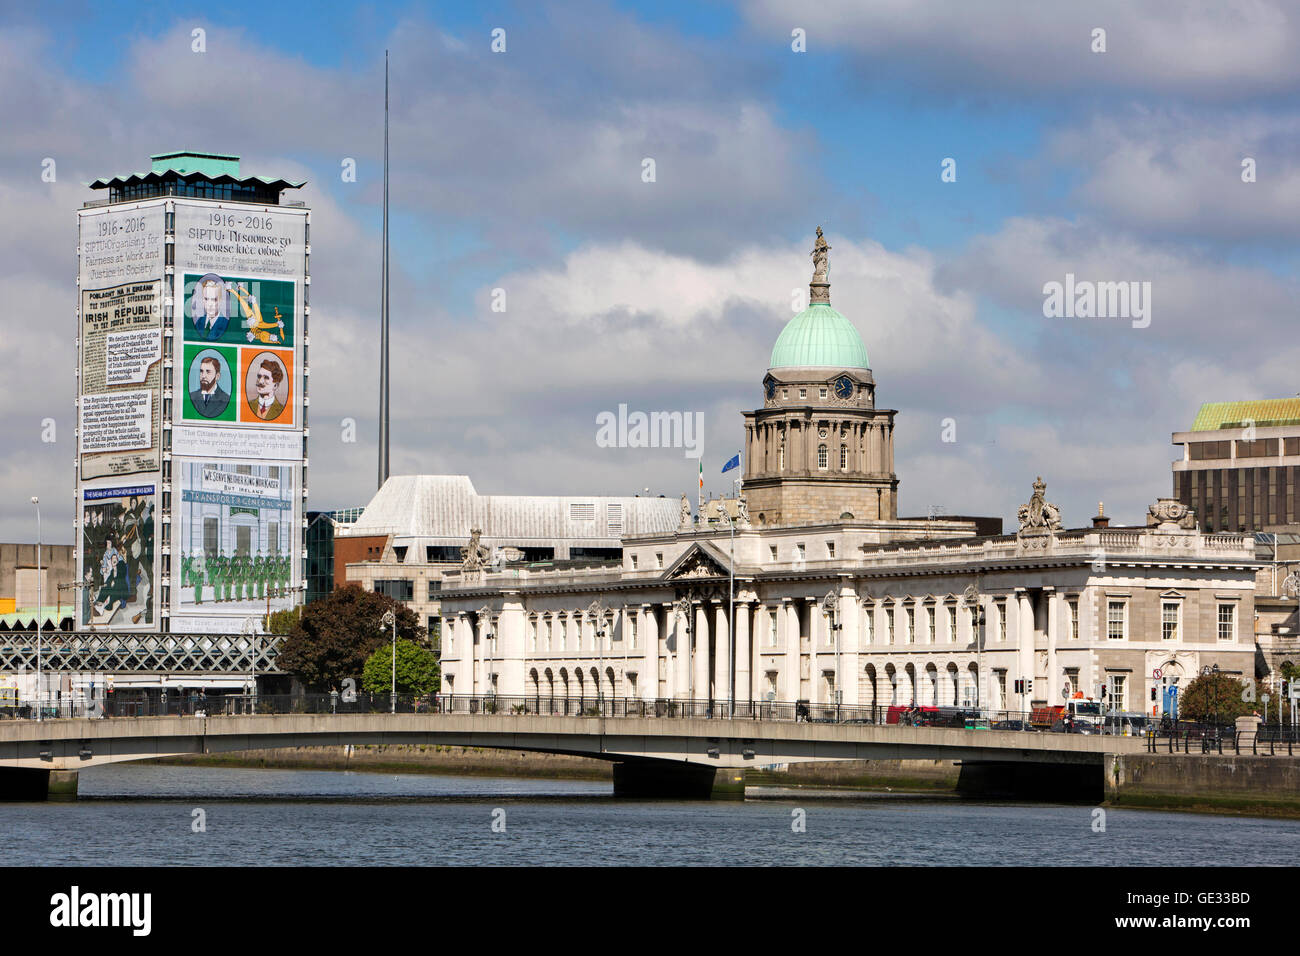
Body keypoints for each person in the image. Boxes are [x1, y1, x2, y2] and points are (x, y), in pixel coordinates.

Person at [192, 275, 229, 340]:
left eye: (214, 299)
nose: (210, 304)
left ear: (220, 301)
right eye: (206, 299)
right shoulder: (199, 321)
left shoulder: (225, 324)